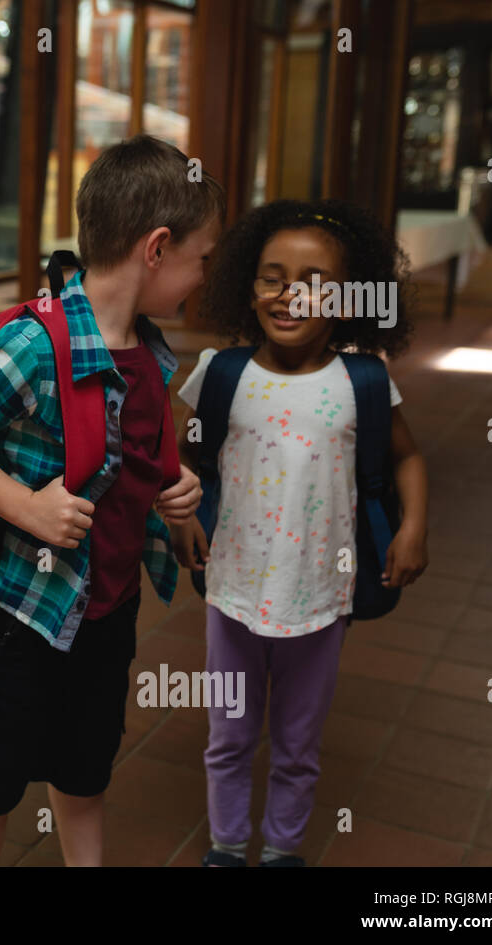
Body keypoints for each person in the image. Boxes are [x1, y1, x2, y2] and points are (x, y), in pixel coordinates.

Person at [0, 134, 219, 866]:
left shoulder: (148, 351)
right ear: (156, 248)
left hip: (106, 611)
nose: (202, 278)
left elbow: (132, 462)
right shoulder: (36, 342)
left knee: (85, 769)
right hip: (18, 611)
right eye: (200, 259)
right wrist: (24, 508)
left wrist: (171, 499)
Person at [173, 198, 429, 867]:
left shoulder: (364, 379)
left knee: (296, 742)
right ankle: (229, 844)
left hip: (320, 594)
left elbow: (406, 457)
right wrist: (177, 519)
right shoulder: (220, 374)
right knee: (228, 735)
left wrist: (415, 529)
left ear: (347, 298)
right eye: (271, 275)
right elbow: (180, 460)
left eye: (314, 282)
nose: (290, 295)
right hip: (232, 588)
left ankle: (283, 850)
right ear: (246, 284)